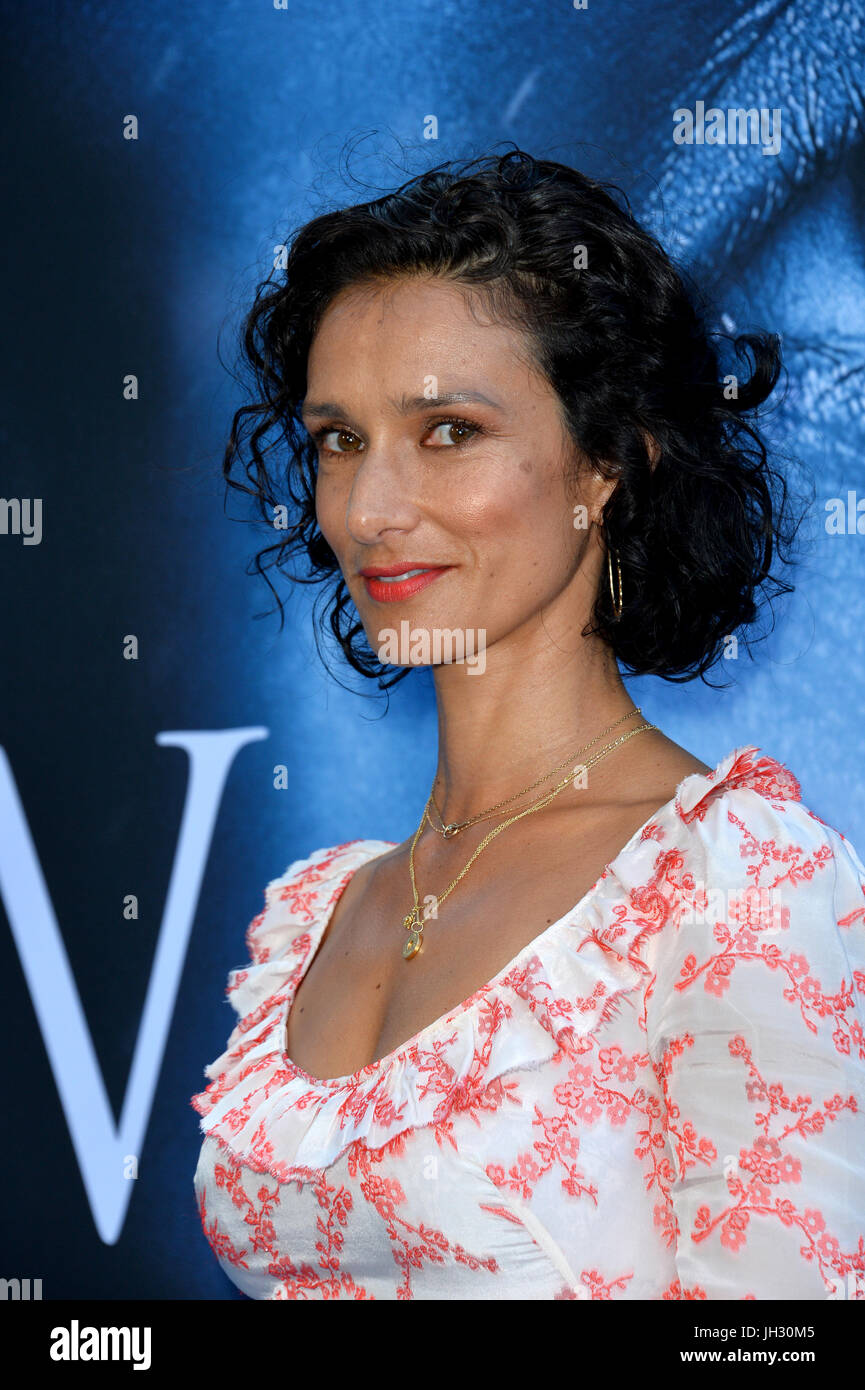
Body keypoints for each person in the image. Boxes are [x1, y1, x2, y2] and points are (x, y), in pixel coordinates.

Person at [191, 148, 865, 1300]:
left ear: (600, 462)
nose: (369, 508)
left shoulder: (731, 884)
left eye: (447, 430)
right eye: (338, 439)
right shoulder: (321, 907)